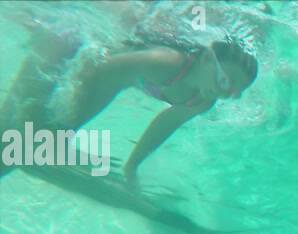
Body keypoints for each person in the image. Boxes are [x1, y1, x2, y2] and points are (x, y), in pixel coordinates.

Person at [1, 25, 258, 186]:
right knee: (28, 134)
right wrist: (62, 109)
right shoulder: (164, 61)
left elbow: (164, 124)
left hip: (114, 80)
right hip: (83, 53)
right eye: (225, 81)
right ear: (204, 58)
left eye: (234, 93)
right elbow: (94, 70)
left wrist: (133, 164)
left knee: (36, 143)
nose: (225, 93)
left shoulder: (203, 98)